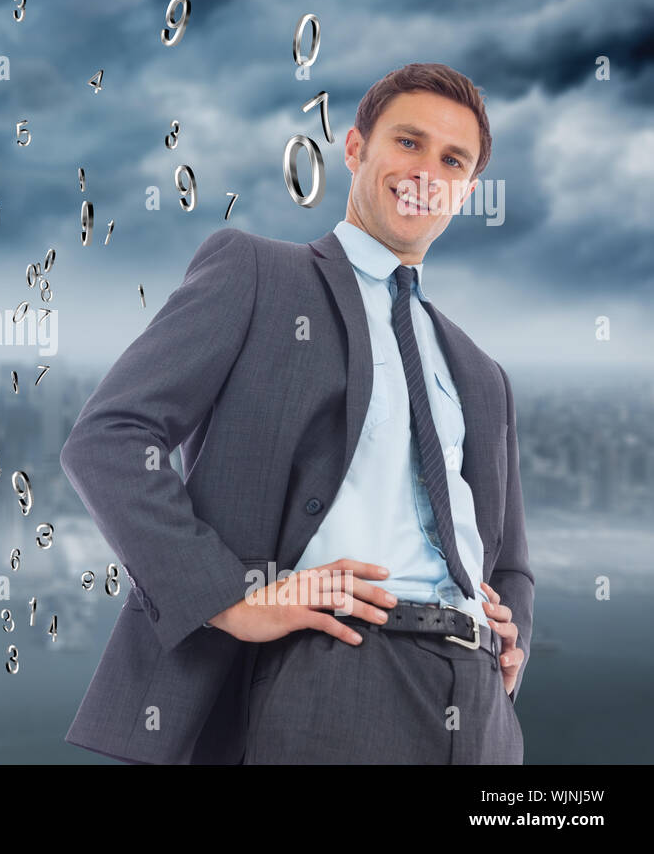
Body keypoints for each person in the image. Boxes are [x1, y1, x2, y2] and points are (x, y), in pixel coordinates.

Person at [60, 62, 532, 764]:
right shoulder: (258, 275)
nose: (427, 170)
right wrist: (228, 599)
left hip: (483, 711)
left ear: (466, 189)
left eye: (452, 159)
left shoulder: (481, 373)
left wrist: (510, 631)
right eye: (408, 142)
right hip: (332, 673)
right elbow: (111, 437)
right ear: (354, 149)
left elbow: (512, 560)